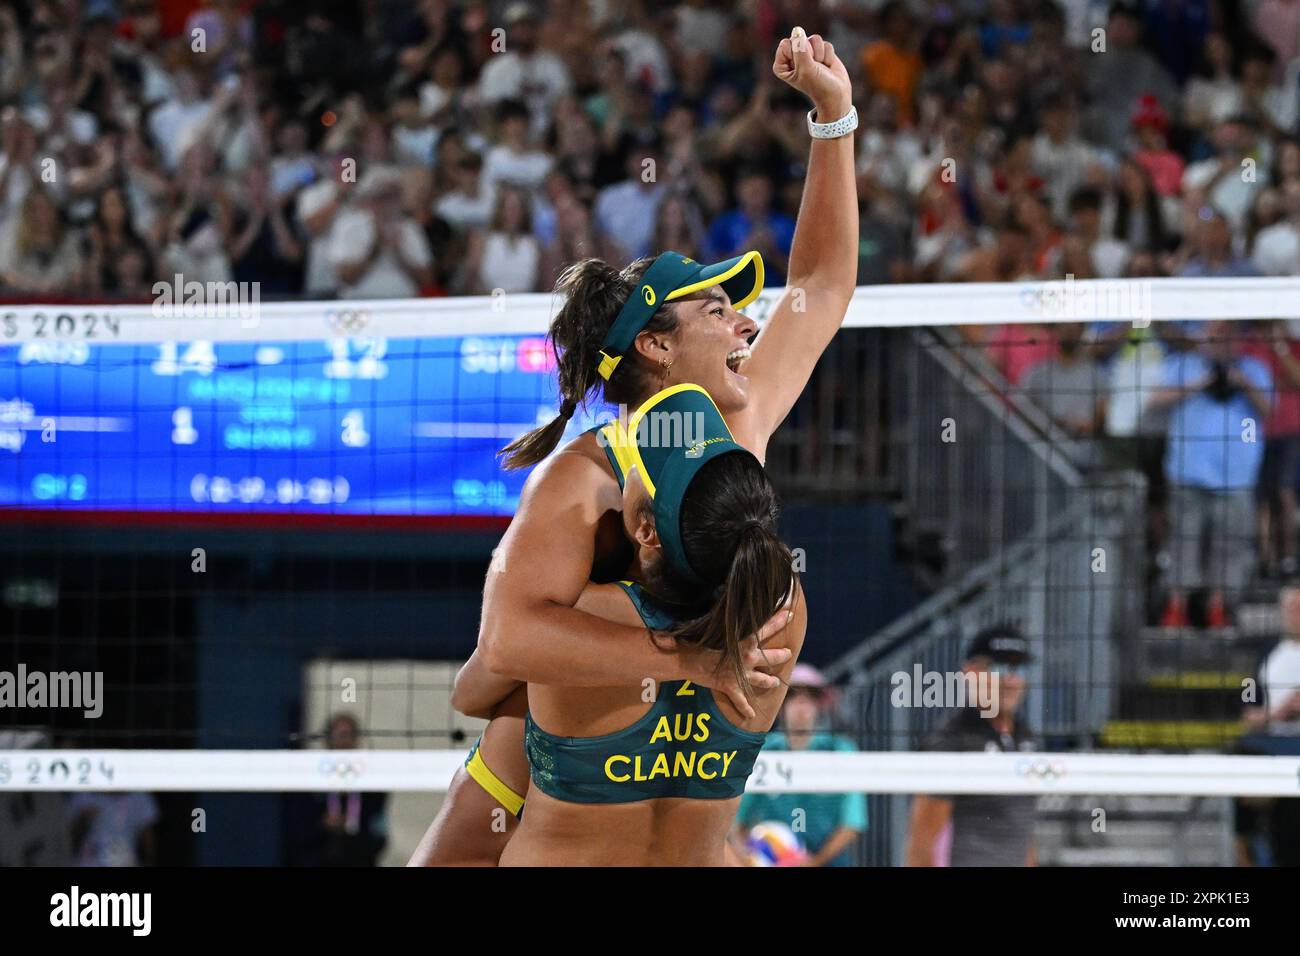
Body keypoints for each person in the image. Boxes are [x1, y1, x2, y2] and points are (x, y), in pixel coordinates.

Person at [410, 27, 857, 865]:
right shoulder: (580, 482)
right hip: (579, 741)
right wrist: (691, 659)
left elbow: (821, 285)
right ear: (655, 347)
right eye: (718, 310)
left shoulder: (740, 418)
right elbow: (493, 665)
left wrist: (833, 119)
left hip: (653, 747)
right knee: (499, 757)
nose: (746, 322)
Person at [1153, 320, 1273, 627]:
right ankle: (1176, 608)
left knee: (1230, 547)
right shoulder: (1183, 364)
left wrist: (1242, 381)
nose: (1221, 341)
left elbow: (1269, 410)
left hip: (1237, 477)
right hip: (1187, 473)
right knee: (1183, 542)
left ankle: (1219, 609)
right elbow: (1153, 400)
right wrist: (1201, 382)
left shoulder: (1254, 369)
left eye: (1227, 335)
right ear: (1204, 336)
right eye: (1215, 335)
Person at [905, 625, 1038, 867]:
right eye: (997, 668)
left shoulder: (1025, 737)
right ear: (970, 672)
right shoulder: (949, 742)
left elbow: (1022, 831)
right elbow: (921, 846)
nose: (1009, 679)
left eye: (1017, 668)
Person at [732, 664, 867, 866]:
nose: (801, 703)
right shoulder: (762, 750)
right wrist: (745, 857)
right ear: (781, 704)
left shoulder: (841, 751)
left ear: (819, 705)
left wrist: (813, 862)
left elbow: (852, 823)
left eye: (810, 696)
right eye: (792, 695)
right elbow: (737, 820)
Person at [287, 714, 389, 867]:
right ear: (328, 740)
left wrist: (350, 829)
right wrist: (322, 825)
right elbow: (298, 834)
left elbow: (380, 838)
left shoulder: (373, 788)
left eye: (348, 735)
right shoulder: (310, 784)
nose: (344, 741)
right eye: (339, 735)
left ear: (356, 740)